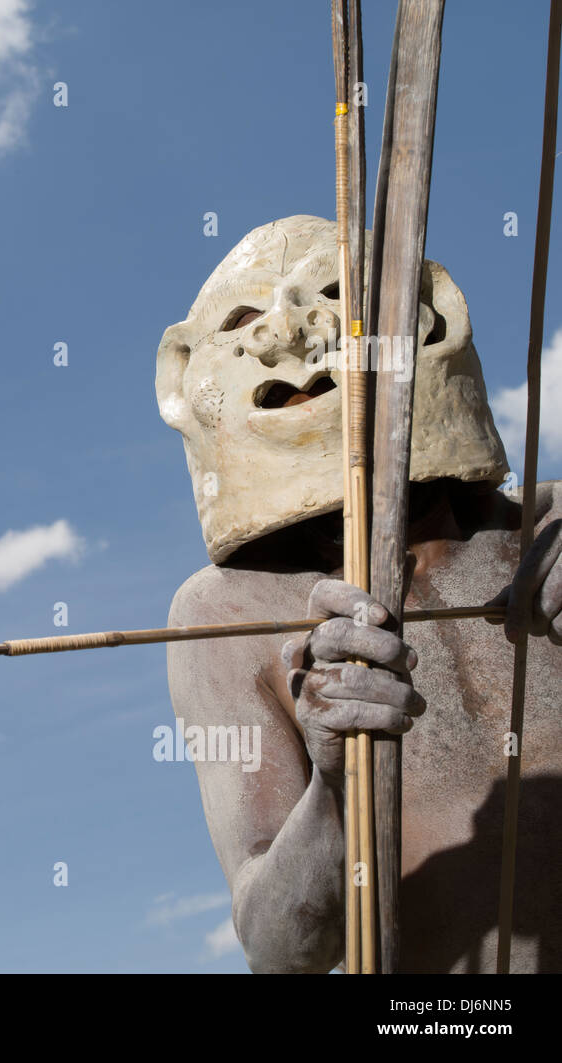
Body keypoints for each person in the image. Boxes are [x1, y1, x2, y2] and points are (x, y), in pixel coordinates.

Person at [156, 215, 562, 972]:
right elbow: (283, 949)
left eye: (337, 297)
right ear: (184, 377)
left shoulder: (553, 525)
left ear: (430, 314)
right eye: (243, 323)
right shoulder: (223, 613)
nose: (288, 335)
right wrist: (338, 787)